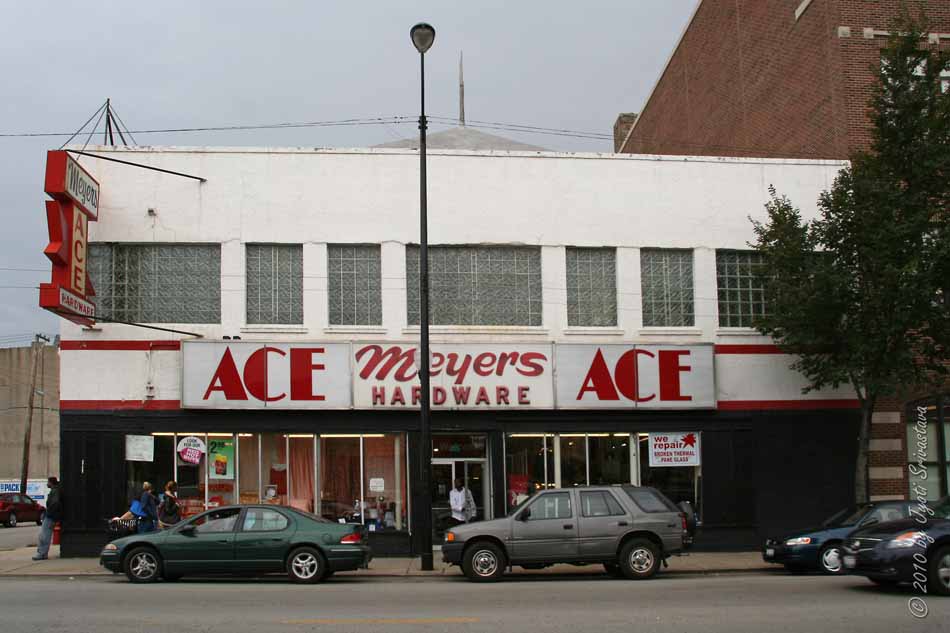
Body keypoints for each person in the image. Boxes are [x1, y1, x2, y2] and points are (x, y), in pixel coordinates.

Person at [33, 477, 62, 561]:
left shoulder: (55, 491)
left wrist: (49, 512)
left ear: (51, 483)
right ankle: (43, 553)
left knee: (44, 536)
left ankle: (42, 553)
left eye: (48, 482)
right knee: (44, 535)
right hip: (51, 516)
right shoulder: (55, 490)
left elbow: (55, 503)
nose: (47, 484)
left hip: (50, 516)